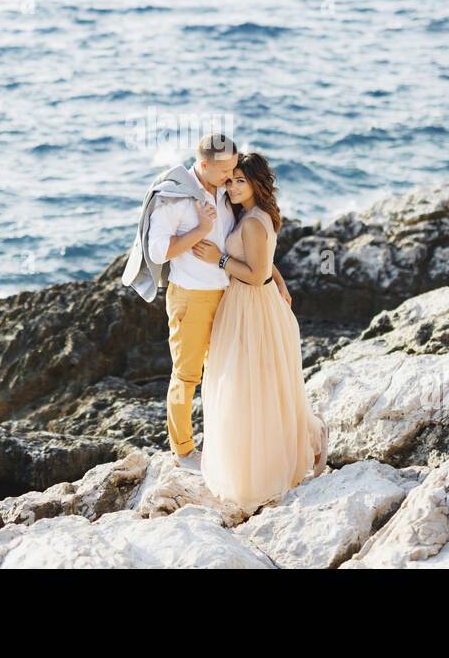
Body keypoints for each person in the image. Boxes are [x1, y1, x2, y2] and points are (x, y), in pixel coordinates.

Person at [122, 133, 292, 470]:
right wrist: (200, 230)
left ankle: (226, 443)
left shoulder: (227, 194)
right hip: (192, 297)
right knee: (187, 377)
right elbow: (157, 251)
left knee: (227, 373)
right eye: (225, 170)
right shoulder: (176, 198)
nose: (231, 177)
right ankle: (183, 451)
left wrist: (277, 280)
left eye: (234, 170)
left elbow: (244, 245)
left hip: (231, 296)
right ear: (203, 165)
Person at [193, 151, 329, 511]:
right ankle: (275, 452)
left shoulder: (253, 221)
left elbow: (254, 272)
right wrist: (279, 280)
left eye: (241, 181)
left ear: (256, 184)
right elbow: (265, 264)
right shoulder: (253, 215)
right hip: (252, 301)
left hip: (252, 305)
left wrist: (217, 259)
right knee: (254, 385)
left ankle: (289, 451)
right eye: (231, 180)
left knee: (247, 385)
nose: (233, 187)